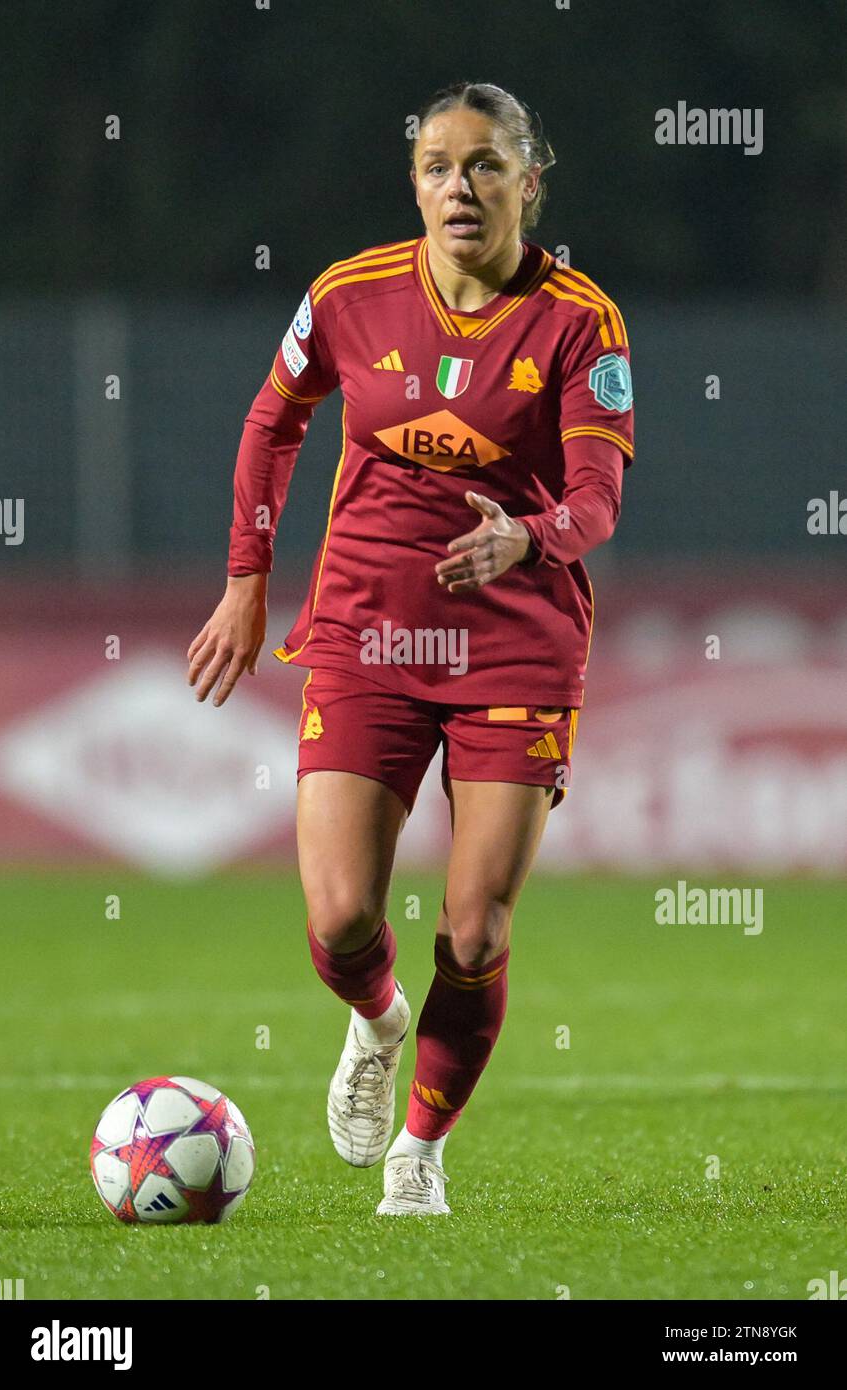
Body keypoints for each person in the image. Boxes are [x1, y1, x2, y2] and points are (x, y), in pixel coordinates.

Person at [187, 81, 635, 1215]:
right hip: (367, 630)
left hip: (517, 646)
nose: (457, 187)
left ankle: (419, 1153)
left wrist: (525, 539)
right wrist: (247, 583)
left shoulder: (579, 321)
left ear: (530, 181)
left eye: (484, 165)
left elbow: (596, 502)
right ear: (414, 184)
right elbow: (270, 421)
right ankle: (380, 1021)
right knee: (340, 918)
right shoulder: (349, 294)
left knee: (475, 925)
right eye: (436, 165)